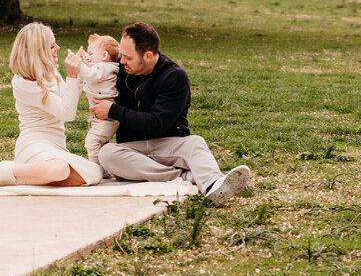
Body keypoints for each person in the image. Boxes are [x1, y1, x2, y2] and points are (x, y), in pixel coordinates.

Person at [90, 22, 250, 204]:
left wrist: (113, 111)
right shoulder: (120, 69)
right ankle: (185, 176)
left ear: (148, 56)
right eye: (121, 56)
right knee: (107, 154)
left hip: (168, 144)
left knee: (195, 143)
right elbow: (97, 75)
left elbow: (157, 123)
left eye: (128, 57)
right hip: (132, 149)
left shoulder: (174, 77)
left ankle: (214, 185)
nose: (122, 61)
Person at [0, 22, 103, 188]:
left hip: (55, 145)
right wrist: (72, 74)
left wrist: (80, 72)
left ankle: (11, 173)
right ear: (39, 52)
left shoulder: (49, 71)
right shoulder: (25, 83)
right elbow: (67, 113)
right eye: (52, 46)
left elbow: (66, 100)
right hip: (34, 145)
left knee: (93, 173)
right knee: (60, 170)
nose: (58, 48)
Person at [76, 33, 121, 167]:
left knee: (91, 142)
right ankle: (106, 169)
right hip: (104, 118)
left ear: (104, 56)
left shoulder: (104, 68)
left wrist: (78, 63)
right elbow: (90, 71)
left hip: (107, 119)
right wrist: (85, 61)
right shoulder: (104, 68)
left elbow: (90, 74)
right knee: (101, 145)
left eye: (91, 53)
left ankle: (97, 169)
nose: (89, 56)